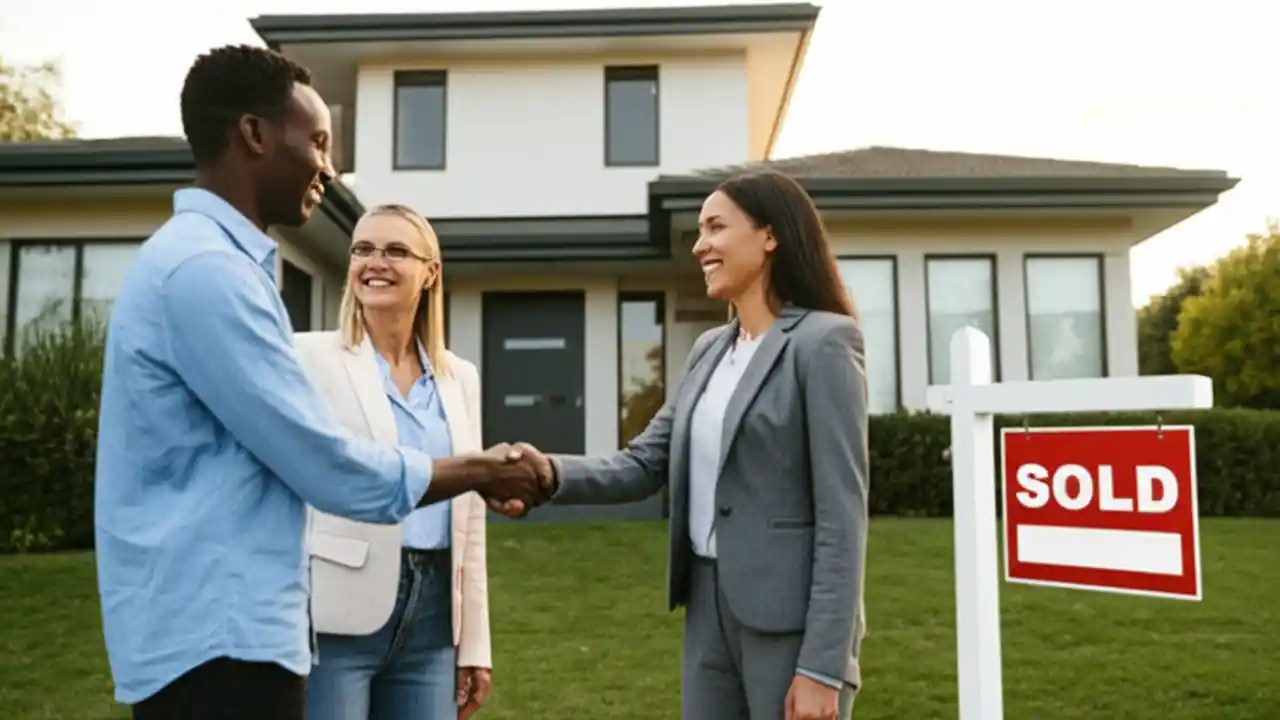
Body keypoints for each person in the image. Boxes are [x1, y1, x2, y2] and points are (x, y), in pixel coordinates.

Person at [93, 45, 550, 720]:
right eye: (317, 142)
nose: (329, 168)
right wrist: (479, 470)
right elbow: (325, 463)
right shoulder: (206, 273)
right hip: (218, 641)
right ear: (254, 134)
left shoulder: (217, 265)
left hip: (232, 633)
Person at [498, 170, 870, 720]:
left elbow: (843, 517)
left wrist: (822, 667)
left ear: (770, 236)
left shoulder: (824, 342)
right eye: (699, 230)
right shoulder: (709, 349)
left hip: (788, 625)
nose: (699, 245)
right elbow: (644, 462)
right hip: (706, 610)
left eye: (716, 227)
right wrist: (546, 473)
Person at [294, 204, 492, 720]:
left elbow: (470, 518)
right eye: (363, 249)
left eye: (396, 251)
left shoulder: (460, 378)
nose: (375, 262)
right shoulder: (307, 358)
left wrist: (475, 645)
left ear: (430, 273)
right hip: (335, 615)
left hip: (434, 621)